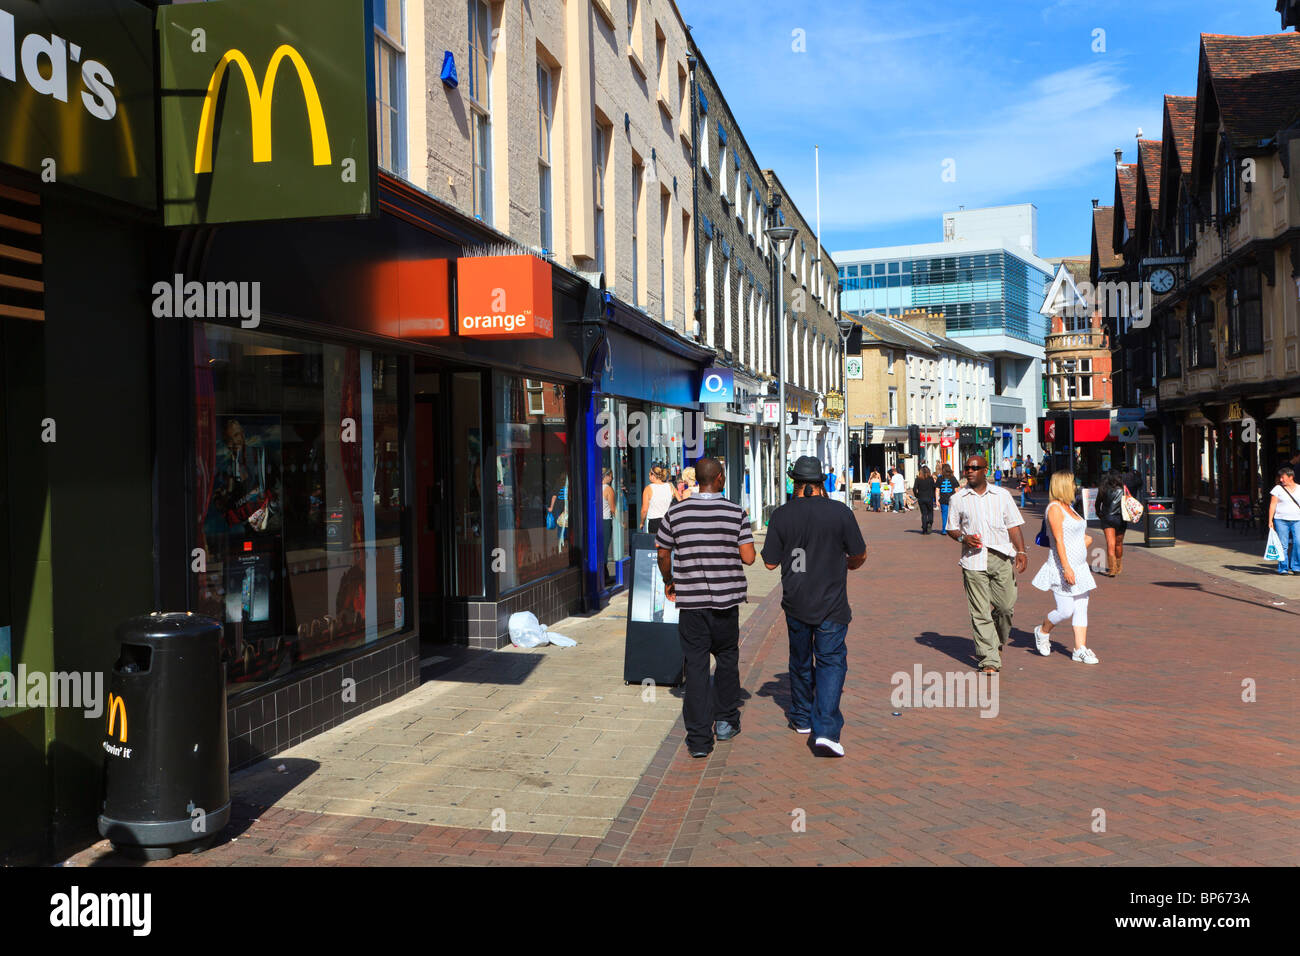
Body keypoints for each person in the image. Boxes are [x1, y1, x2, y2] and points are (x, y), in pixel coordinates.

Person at [762, 456, 866, 758]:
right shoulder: (840, 512)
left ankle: (802, 717)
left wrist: (794, 555)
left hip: (796, 601)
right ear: (822, 483)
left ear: (796, 484)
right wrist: (845, 562)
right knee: (831, 661)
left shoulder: (781, 515)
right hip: (832, 603)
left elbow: (769, 562)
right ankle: (827, 731)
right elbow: (859, 554)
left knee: (800, 659)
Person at [656, 457, 756, 758]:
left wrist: (669, 579)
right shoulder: (735, 512)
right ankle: (725, 722)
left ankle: (699, 740)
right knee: (726, 661)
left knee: (697, 667)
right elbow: (749, 558)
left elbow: (662, 551)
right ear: (721, 478)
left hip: (692, 605)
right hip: (726, 604)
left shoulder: (677, 512)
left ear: (697, 480)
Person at [947, 455, 1028, 674]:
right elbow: (951, 528)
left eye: (975, 468)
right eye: (967, 468)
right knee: (980, 611)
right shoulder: (958, 498)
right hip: (973, 560)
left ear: (985, 471)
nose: (969, 471)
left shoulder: (1002, 495)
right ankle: (989, 659)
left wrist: (1021, 551)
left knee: (1005, 607)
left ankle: (995, 641)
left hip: (1001, 557)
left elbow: (1013, 525)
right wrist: (963, 538)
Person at [1032, 471, 1100, 664]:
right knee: (1065, 609)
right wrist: (1066, 568)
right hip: (1063, 566)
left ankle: (1080, 648)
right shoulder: (1055, 508)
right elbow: (1059, 541)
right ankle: (1042, 630)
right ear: (1063, 485)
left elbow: (1075, 536)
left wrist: (1085, 542)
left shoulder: (1070, 507)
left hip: (1079, 566)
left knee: (1081, 606)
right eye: (1072, 483)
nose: (1075, 485)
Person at [1268, 466, 1300, 575]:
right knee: (1283, 544)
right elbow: (1272, 505)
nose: (1281, 480)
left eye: (1283, 477)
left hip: (1297, 520)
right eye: (1280, 478)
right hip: (1281, 520)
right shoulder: (1277, 489)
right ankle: (1283, 568)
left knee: (1298, 543)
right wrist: (1270, 520)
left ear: (1291, 477)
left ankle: (1296, 566)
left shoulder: (1299, 488)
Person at [1095, 470, 1127, 577]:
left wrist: (1099, 514)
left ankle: (1112, 569)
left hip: (1107, 518)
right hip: (1121, 518)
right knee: (1119, 543)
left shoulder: (1103, 489)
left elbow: (1097, 504)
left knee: (1110, 544)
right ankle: (1119, 567)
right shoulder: (1123, 489)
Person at [640, 465, 677, 535]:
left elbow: (644, 510)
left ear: (653, 476)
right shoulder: (670, 486)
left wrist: (642, 522)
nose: (649, 477)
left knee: (655, 544)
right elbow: (680, 501)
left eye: (649, 475)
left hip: (654, 522)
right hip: (667, 521)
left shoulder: (648, 489)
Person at [913, 465, 937, 534]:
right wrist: (934, 497)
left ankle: (924, 528)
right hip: (929, 497)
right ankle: (929, 522)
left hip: (921, 498)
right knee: (930, 512)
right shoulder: (931, 479)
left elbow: (914, 489)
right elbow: (934, 488)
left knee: (923, 514)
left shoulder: (917, 479)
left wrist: (917, 496)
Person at [602, 468, 616, 572]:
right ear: (605, 476)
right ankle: (604, 573)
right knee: (605, 547)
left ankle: (603, 572)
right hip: (605, 520)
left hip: (596, 521)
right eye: (610, 476)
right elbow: (612, 509)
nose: (612, 478)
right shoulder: (608, 489)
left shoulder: (595, 487)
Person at [937, 464, 957, 533]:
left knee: (944, 514)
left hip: (943, 499)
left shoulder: (940, 478)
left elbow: (937, 490)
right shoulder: (953, 478)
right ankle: (951, 529)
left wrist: (937, 500)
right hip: (952, 499)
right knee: (952, 514)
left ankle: (944, 530)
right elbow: (956, 489)